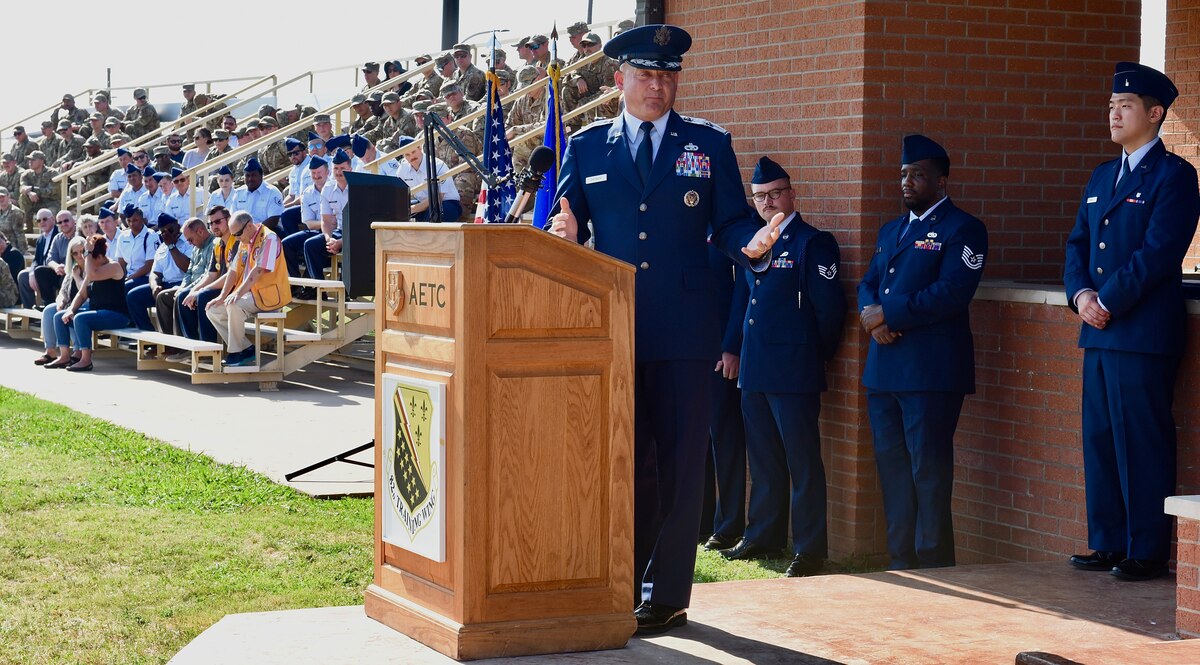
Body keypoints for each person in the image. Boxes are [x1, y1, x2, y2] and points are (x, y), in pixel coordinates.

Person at [548, 24, 784, 635]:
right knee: (627, 463)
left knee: (681, 465)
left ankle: (668, 593)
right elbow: (565, 216)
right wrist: (564, 234)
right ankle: (619, 586)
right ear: (619, 80)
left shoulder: (707, 144)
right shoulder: (588, 146)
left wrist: (750, 244)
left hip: (685, 332)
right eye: (647, 75)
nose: (658, 86)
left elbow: (731, 221)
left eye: (668, 75)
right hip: (617, 330)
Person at [1064, 63, 1200, 582]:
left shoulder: (1175, 175)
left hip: (1141, 330)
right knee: (1099, 437)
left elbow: (1159, 252)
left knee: (1139, 440)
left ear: (1155, 113)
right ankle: (1108, 541)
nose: (1114, 113)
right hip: (1097, 328)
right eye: (1112, 106)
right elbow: (1077, 243)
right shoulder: (1103, 175)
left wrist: (1108, 301)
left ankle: (1145, 549)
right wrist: (1080, 295)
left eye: (1125, 106)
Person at [857, 134, 988, 571]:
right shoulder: (892, 230)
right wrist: (870, 316)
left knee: (927, 473)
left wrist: (888, 315)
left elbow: (952, 292)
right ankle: (901, 560)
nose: (907, 182)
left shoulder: (963, 228)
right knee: (893, 471)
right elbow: (869, 283)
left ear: (941, 180)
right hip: (884, 371)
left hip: (930, 372)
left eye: (918, 175)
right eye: (903, 174)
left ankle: (933, 560)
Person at [718, 157, 846, 578]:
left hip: (793, 370)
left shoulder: (813, 243)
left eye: (775, 193)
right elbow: (744, 301)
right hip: (756, 368)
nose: (768, 202)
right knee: (765, 459)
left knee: (802, 461)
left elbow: (829, 311)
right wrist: (733, 348)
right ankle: (764, 536)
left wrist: (811, 354)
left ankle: (809, 550)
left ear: (792, 195)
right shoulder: (754, 242)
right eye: (759, 196)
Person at [205, 210, 290, 367]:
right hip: (251, 295)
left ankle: (236, 352)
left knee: (234, 305)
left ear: (249, 226)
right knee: (213, 309)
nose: (236, 238)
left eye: (237, 234)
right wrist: (222, 296)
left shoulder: (269, 237)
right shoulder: (245, 240)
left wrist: (237, 293)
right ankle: (246, 348)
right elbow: (233, 270)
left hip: (270, 295)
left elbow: (258, 270)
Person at [56, 234, 131, 372]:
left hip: (117, 315)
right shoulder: (92, 271)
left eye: (90, 258)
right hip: (98, 312)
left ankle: (85, 360)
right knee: (60, 317)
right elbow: (82, 294)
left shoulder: (113, 266)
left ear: (100, 256)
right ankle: (65, 356)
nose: (86, 262)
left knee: (81, 319)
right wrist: (71, 310)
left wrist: (89, 252)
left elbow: (92, 275)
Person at [178, 207, 236, 343]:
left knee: (203, 297)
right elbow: (210, 275)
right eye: (211, 223)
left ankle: (208, 347)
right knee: (184, 296)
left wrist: (201, 291)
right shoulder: (217, 242)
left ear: (228, 220)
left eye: (218, 222)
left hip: (237, 287)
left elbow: (232, 276)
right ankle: (191, 343)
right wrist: (192, 291)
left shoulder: (236, 241)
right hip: (223, 286)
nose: (214, 226)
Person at [126, 214, 191, 332]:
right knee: (133, 296)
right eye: (163, 232)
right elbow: (155, 273)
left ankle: (171, 342)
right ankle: (148, 336)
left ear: (177, 225)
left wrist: (171, 246)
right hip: (165, 284)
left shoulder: (188, 242)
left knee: (164, 297)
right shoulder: (162, 247)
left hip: (183, 283)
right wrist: (155, 286)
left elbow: (187, 268)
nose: (167, 234)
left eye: (170, 230)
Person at [37, 236, 87, 368]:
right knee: (50, 309)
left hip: (87, 304)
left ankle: (78, 350)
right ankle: (50, 351)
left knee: (68, 312)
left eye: (82, 251)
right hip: (70, 303)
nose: (79, 256)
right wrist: (60, 302)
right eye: (75, 253)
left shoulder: (91, 269)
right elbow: (63, 293)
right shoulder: (72, 270)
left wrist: (77, 276)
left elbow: (85, 291)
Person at [116, 205, 159, 290]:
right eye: (129, 220)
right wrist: (122, 278)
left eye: (135, 220)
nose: (132, 224)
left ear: (142, 219)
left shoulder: (151, 236)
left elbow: (149, 265)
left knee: (125, 287)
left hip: (146, 277)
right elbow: (122, 263)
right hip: (128, 277)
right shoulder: (122, 237)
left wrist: (130, 278)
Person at [233, 158, 284, 232]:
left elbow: (274, 220)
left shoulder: (272, 192)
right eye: (247, 176)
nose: (250, 179)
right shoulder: (238, 193)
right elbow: (233, 218)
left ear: (261, 176)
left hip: (267, 233)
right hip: (243, 235)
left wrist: (254, 232)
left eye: (253, 175)